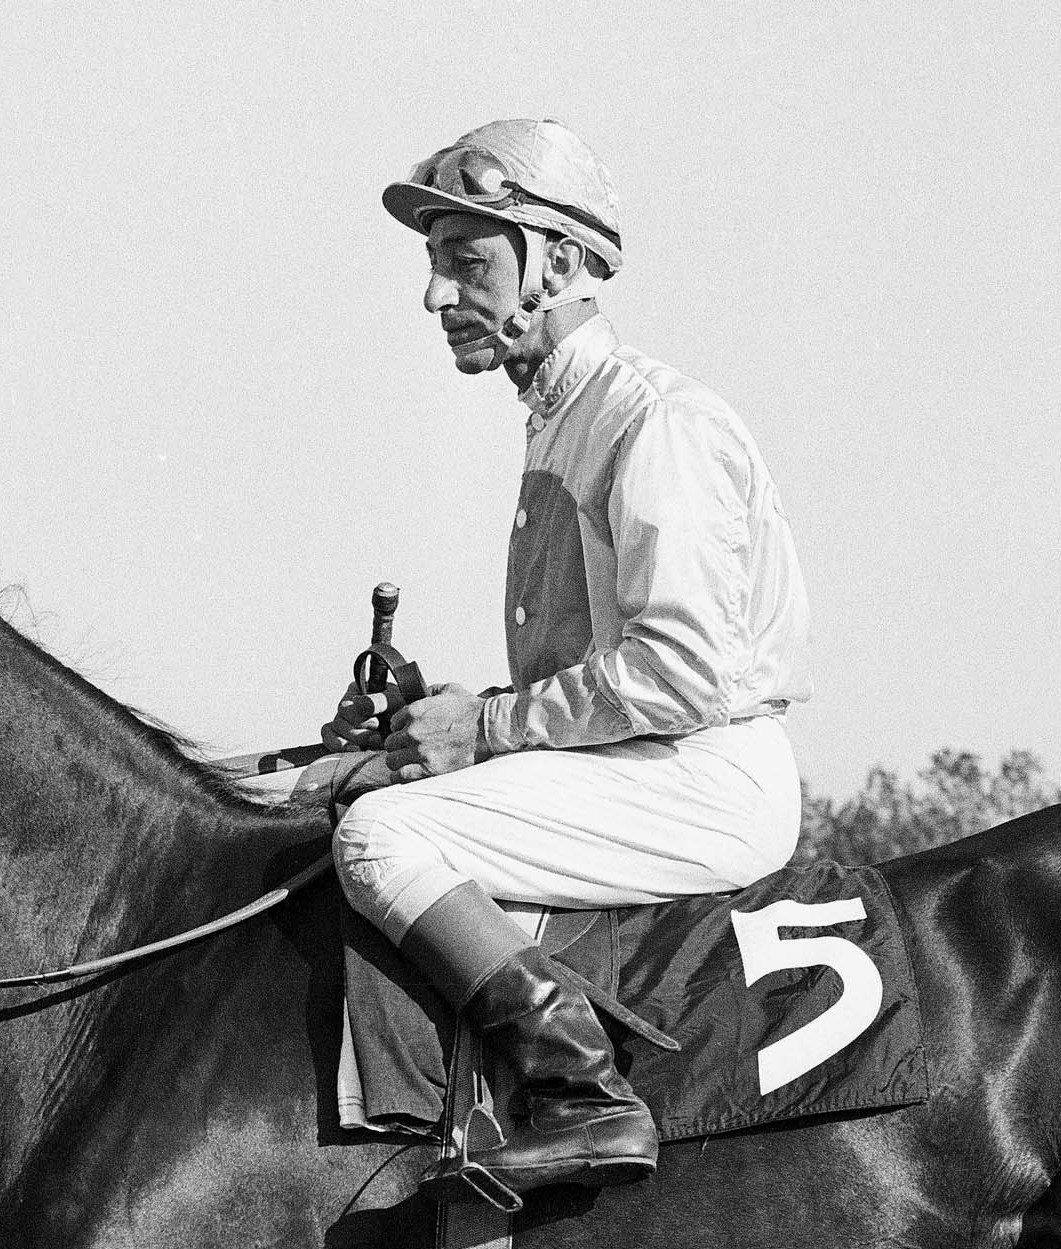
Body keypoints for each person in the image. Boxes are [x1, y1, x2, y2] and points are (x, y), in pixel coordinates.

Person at [332, 119, 813, 1193]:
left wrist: (491, 729)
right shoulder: (564, 421)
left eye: (467, 262)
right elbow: (601, 669)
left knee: (376, 838)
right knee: (350, 783)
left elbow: (680, 673)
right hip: (647, 762)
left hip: (704, 776)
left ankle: (584, 1095)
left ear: (554, 260)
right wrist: (452, 723)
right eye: (435, 266)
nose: (437, 296)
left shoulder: (654, 422)